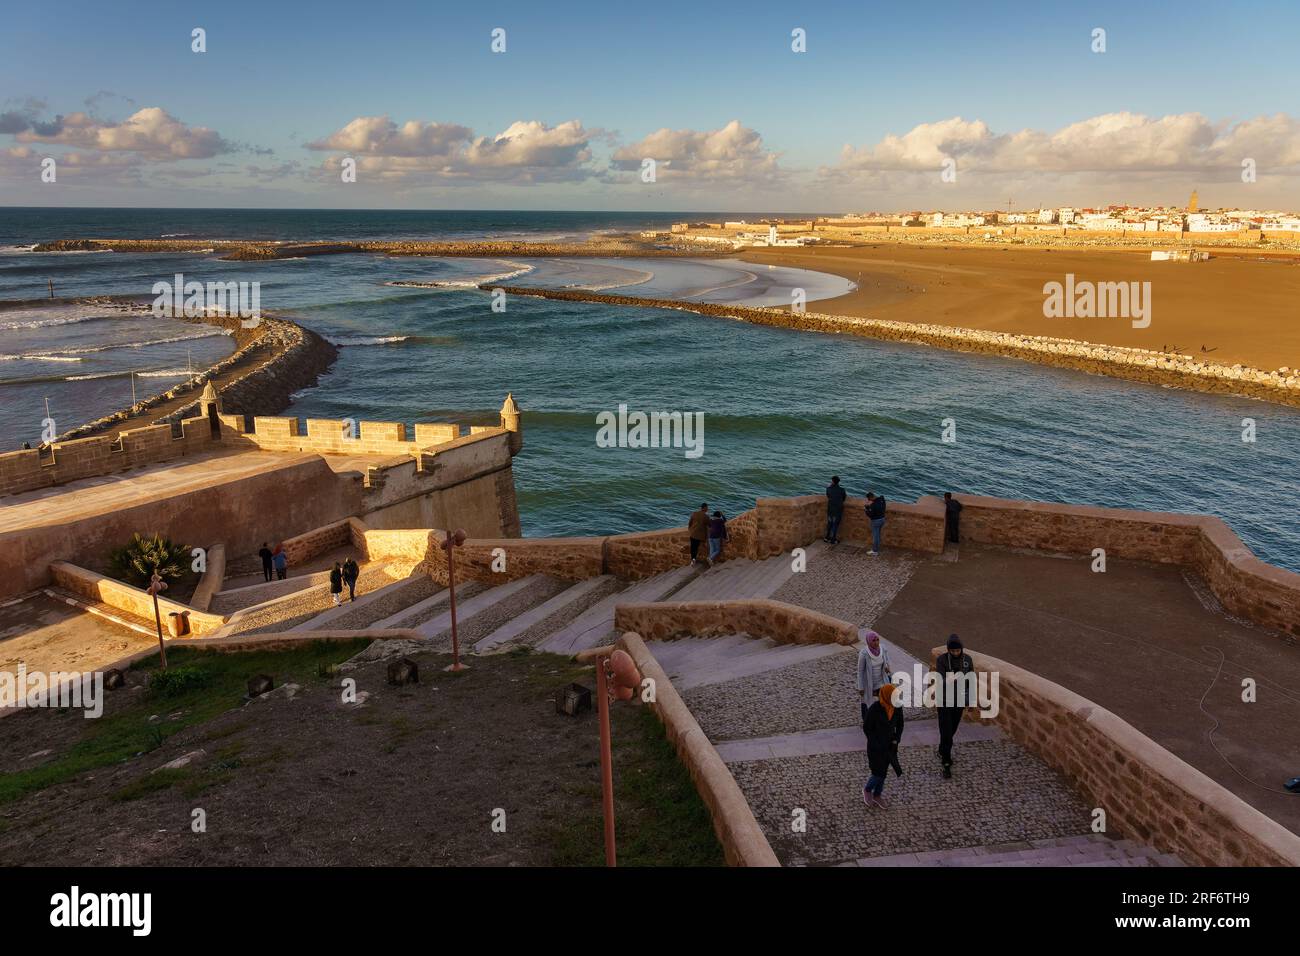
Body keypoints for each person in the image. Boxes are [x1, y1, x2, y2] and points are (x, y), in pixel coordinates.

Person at [935, 634, 975, 778]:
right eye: (953, 651)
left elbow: (971, 681)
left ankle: (942, 749)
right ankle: (946, 762)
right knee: (946, 732)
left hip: (959, 702)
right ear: (948, 650)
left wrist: (971, 701)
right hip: (944, 701)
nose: (956, 653)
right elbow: (939, 680)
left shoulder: (967, 660)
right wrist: (950, 679)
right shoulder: (942, 660)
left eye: (958, 651)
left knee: (952, 730)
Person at [862, 683, 903, 808]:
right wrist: (875, 743)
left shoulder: (897, 707)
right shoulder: (875, 708)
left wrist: (896, 739)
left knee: (883, 772)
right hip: (875, 747)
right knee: (877, 772)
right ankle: (868, 790)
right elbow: (867, 728)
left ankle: (877, 795)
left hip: (889, 746)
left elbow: (900, 724)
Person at [856, 629, 892, 722]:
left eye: (877, 640)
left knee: (883, 700)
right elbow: (860, 671)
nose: (876, 642)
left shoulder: (883, 649)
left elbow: (887, 661)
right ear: (869, 641)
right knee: (867, 702)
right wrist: (860, 687)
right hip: (868, 682)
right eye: (873, 640)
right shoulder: (864, 654)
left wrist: (887, 667)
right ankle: (867, 721)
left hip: (881, 680)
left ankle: (881, 719)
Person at [825, 476, 846, 544]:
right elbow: (843, 498)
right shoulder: (842, 490)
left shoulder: (828, 489)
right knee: (835, 525)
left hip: (830, 509)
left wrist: (830, 486)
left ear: (833, 481)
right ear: (838, 482)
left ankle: (827, 537)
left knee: (830, 523)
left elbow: (828, 496)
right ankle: (833, 539)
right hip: (838, 510)